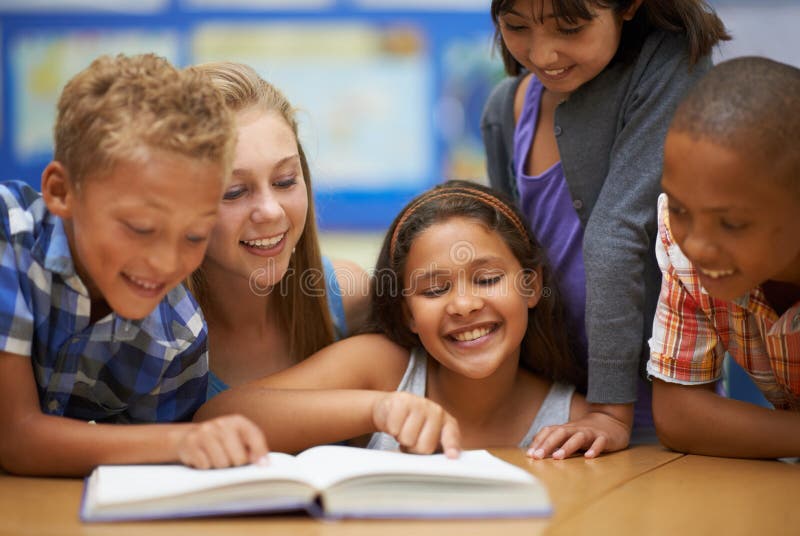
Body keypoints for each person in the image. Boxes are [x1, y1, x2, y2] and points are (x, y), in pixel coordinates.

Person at [481, 0, 729, 459]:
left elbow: (616, 231)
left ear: (629, 5)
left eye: (570, 28)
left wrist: (609, 410)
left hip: (648, 398)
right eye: (516, 27)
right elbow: (507, 257)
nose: (544, 55)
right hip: (548, 403)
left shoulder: (670, 63)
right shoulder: (506, 107)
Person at [0, 54, 267, 476]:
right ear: (61, 191)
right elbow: (13, 436)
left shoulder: (179, 337)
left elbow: (143, 481)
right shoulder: (8, 238)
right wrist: (180, 442)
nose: (164, 263)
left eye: (194, 236)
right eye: (140, 228)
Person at [196, 180, 588, 456]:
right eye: (434, 290)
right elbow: (219, 418)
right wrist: (377, 409)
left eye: (487, 279)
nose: (464, 305)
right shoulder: (383, 368)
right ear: (407, 312)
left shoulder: (573, 421)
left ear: (531, 285)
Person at [186, 62, 370, 397]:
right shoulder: (147, 330)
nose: (270, 211)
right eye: (234, 191)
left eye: (285, 181)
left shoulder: (349, 296)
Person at [648, 57, 800, 458]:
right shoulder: (683, 245)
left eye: (731, 223)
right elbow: (680, 415)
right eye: (680, 208)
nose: (696, 245)